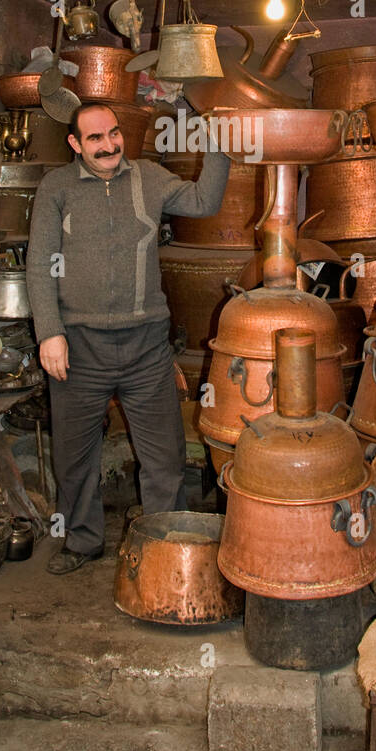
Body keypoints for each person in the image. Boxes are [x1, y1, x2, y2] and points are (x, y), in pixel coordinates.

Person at [25, 99, 230, 574]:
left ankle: (165, 545)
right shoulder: (56, 188)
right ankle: (82, 541)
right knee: (74, 460)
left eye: (113, 133)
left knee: (165, 459)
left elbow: (204, 202)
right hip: (78, 347)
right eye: (95, 138)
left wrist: (217, 142)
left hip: (146, 348)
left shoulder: (150, 177)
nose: (108, 145)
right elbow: (39, 265)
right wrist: (50, 333)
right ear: (76, 144)